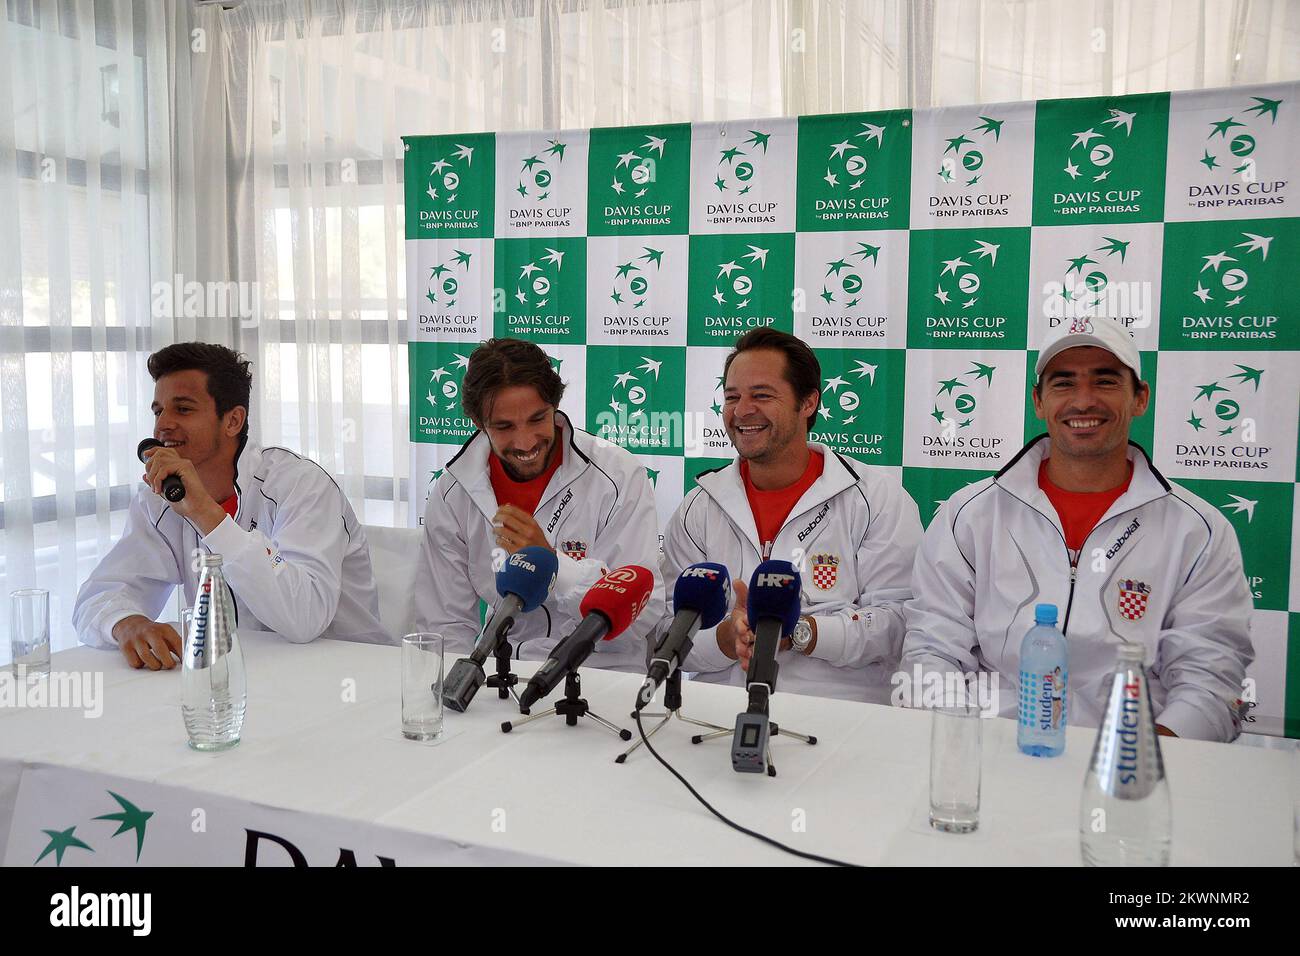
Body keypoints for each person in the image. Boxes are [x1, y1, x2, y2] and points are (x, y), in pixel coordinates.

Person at [901, 317, 1254, 741]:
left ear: (1140, 398)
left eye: (1105, 381)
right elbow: (932, 650)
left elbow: (1211, 678)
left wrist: (1136, 763)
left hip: (1132, 760)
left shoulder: (1198, 530)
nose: (1083, 401)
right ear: (1039, 401)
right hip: (992, 753)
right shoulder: (971, 513)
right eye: (1064, 383)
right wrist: (962, 747)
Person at [74, 343, 388, 669]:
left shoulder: (300, 485)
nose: (162, 426)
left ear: (233, 420)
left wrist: (204, 513)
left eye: (182, 409)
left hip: (349, 678)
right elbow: (96, 598)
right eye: (158, 411)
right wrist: (127, 623)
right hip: (244, 680)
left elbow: (304, 618)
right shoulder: (160, 498)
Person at [660, 328, 922, 703]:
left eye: (762, 395)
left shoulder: (877, 498)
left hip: (838, 720)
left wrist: (801, 632)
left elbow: (899, 625)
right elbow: (665, 632)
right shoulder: (698, 506)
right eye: (732, 396)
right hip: (715, 716)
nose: (742, 410)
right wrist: (726, 638)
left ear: (809, 402)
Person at [415, 337, 664, 673]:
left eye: (537, 419)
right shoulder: (452, 493)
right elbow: (445, 624)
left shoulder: (619, 476)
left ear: (556, 406)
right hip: (503, 677)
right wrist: (453, 690)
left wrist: (553, 565)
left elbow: (643, 613)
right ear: (478, 422)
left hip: (600, 677)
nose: (525, 441)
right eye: (504, 427)